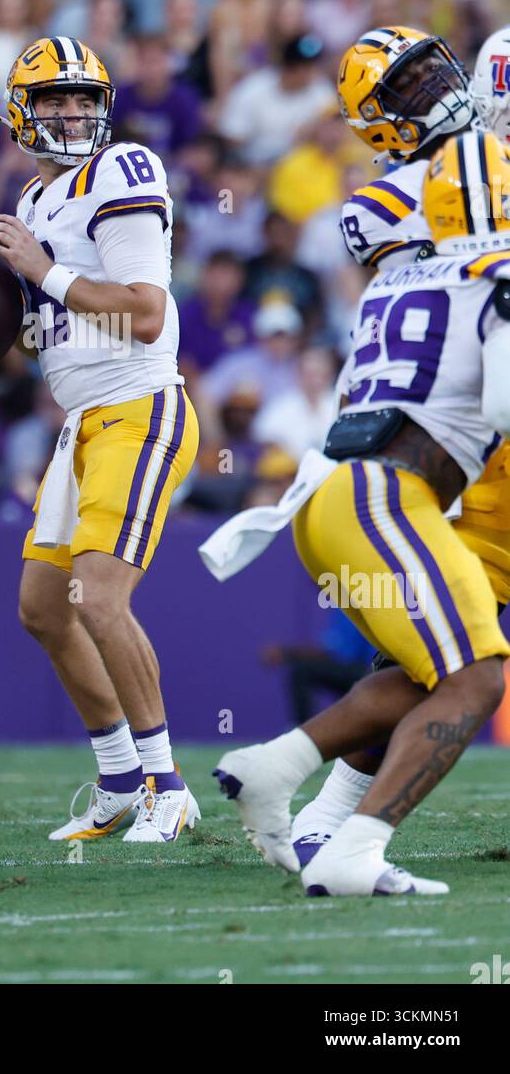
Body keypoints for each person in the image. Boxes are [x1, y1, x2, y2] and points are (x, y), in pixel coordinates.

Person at [214, 130, 510, 896]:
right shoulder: (498, 277)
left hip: (331, 499)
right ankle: (354, 850)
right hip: (385, 498)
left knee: (431, 672)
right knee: (478, 679)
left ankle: (271, 768)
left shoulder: (401, 282)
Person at [0, 36, 200, 842]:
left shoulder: (123, 171)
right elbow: (62, 327)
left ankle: (168, 785)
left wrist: (42, 274)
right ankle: (121, 777)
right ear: (21, 112)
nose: (73, 114)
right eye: (55, 101)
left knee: (97, 594)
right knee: (44, 608)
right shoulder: (32, 200)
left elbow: (143, 310)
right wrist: (5, 330)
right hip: (82, 420)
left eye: (85, 101)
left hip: (140, 405)